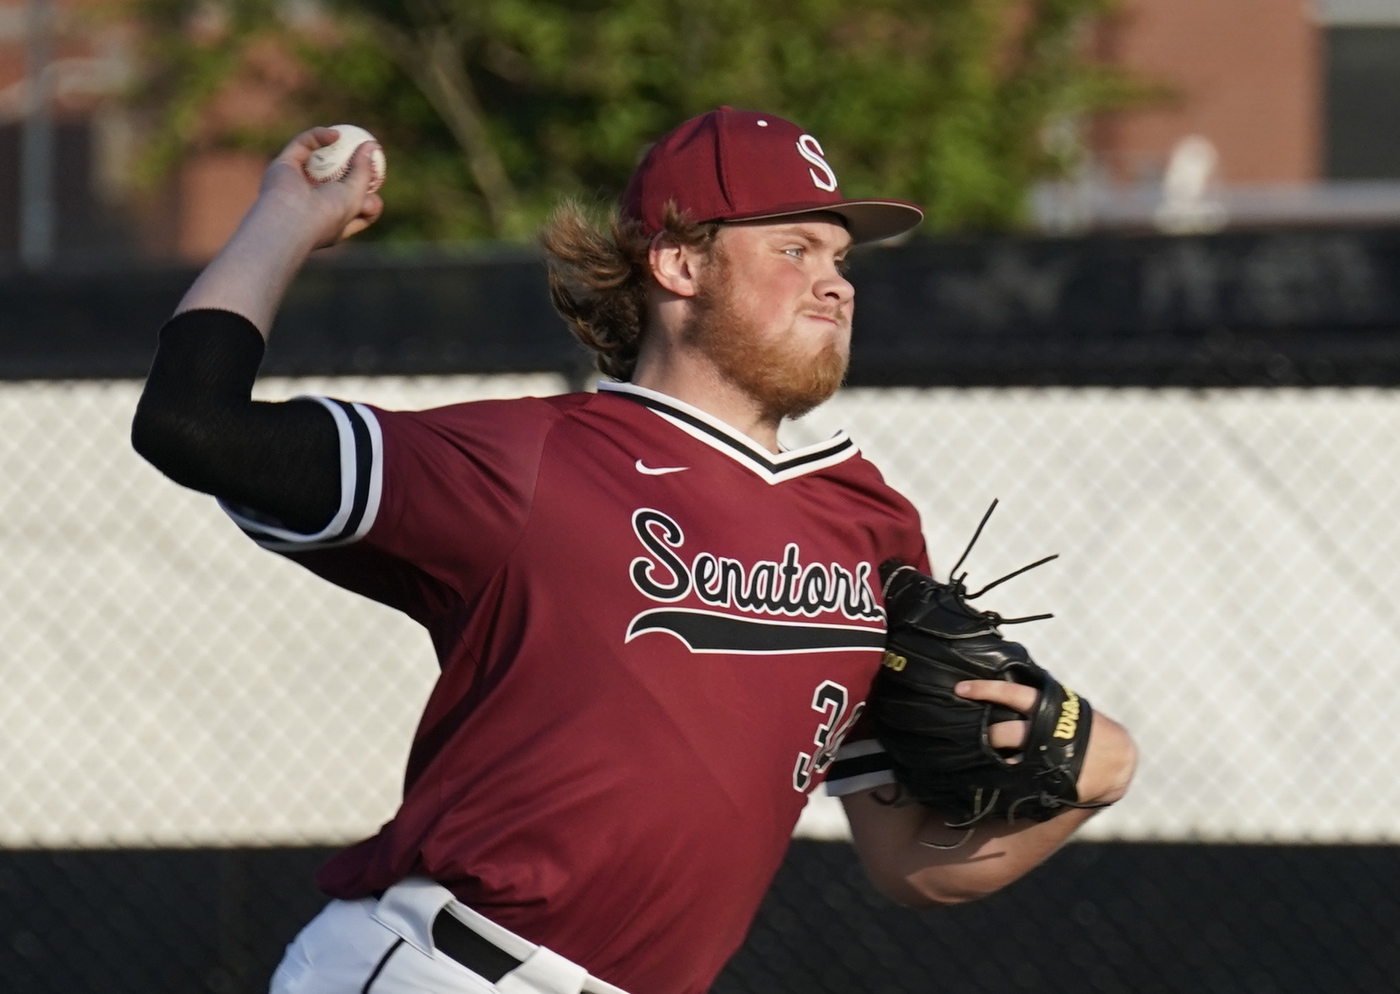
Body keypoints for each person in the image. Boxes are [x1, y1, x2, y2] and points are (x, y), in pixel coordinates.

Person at [132, 107, 1136, 994]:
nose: (833, 283)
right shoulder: (528, 462)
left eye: (839, 257)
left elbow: (910, 862)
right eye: (793, 248)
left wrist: (1090, 782)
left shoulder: (871, 530)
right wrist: (282, 218)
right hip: (451, 969)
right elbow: (191, 427)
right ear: (678, 262)